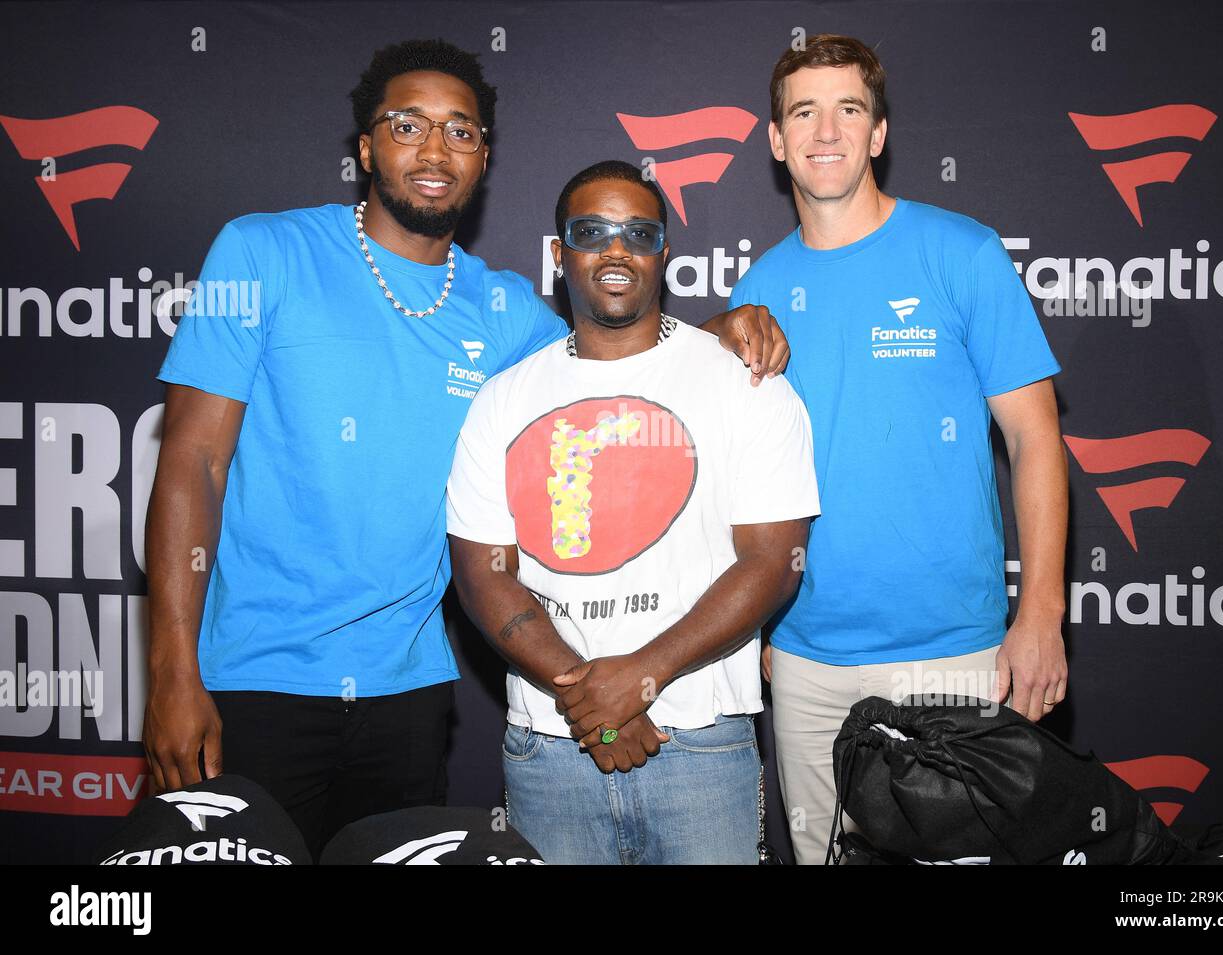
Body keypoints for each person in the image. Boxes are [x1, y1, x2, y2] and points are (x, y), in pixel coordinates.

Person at [142, 39, 786, 860]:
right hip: (252, 683)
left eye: (461, 131)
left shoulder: (504, 310)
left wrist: (717, 332)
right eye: (408, 125)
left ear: (483, 157)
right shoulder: (263, 254)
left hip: (411, 694)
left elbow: (609, 352)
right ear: (365, 147)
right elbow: (191, 463)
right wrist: (169, 670)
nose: (435, 149)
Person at [730, 34, 1069, 864]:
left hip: (954, 653)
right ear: (776, 140)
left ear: (878, 133)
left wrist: (1042, 614)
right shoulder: (757, 292)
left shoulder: (962, 253)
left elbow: (1035, 438)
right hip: (805, 662)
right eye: (802, 112)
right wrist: (760, 622)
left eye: (849, 109)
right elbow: (743, 482)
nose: (826, 130)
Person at [445, 161, 820, 864]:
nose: (616, 250)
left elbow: (773, 564)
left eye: (637, 233)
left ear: (662, 253)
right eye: (592, 232)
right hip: (553, 747)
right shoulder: (503, 399)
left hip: (701, 744)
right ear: (560, 254)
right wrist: (592, 701)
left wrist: (639, 675)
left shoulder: (749, 384)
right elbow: (480, 574)